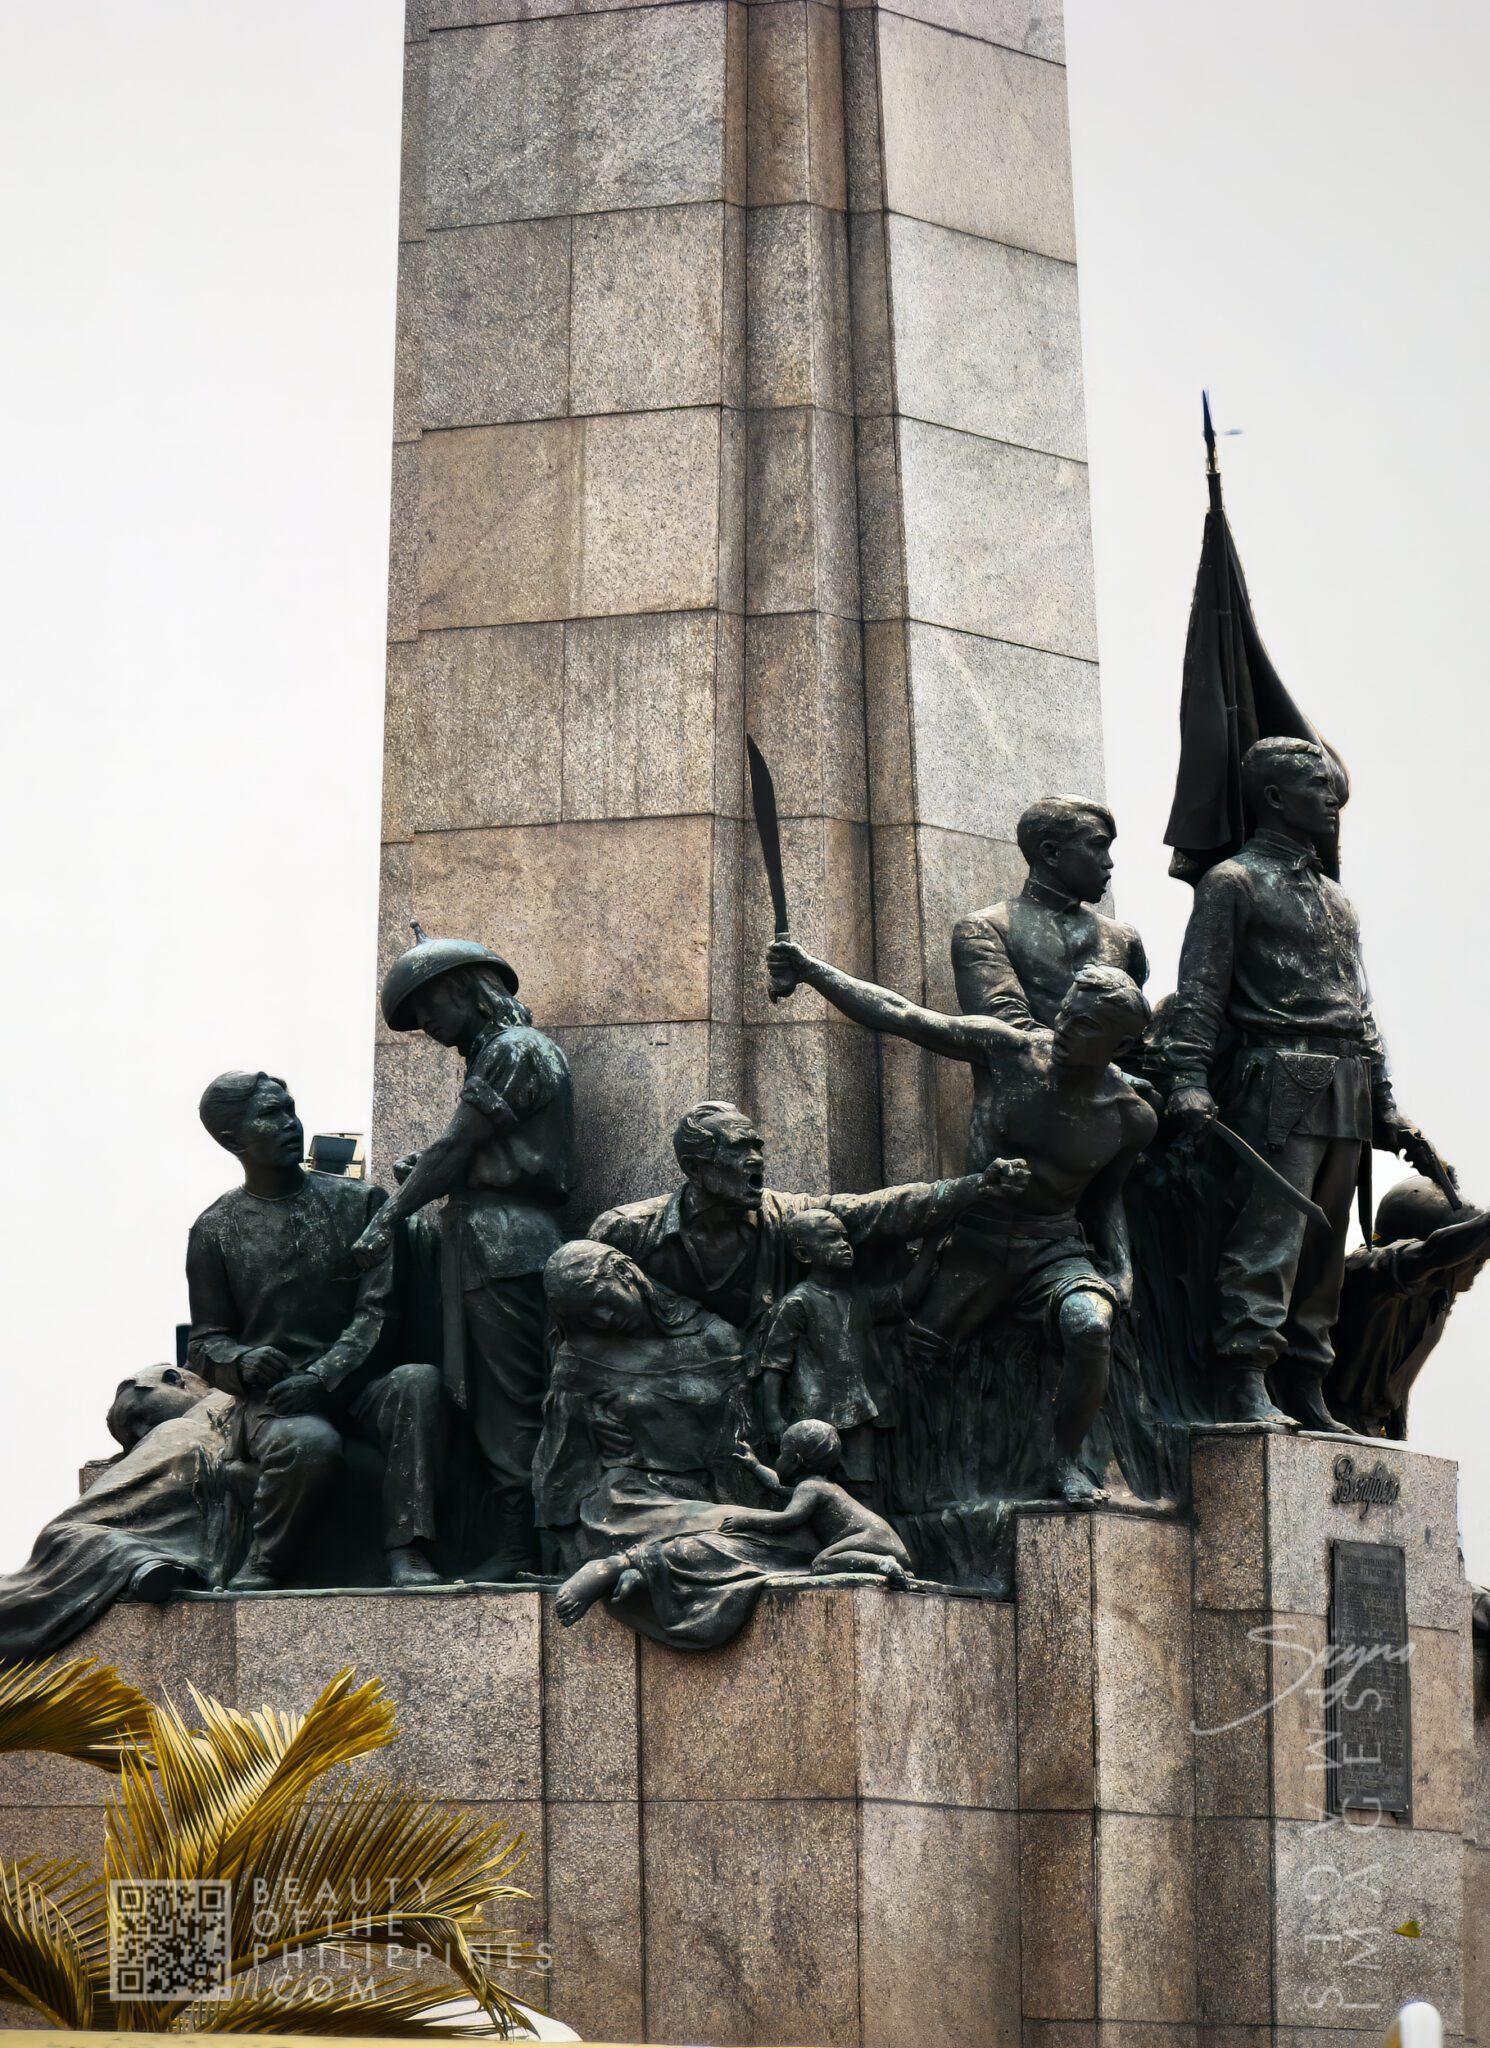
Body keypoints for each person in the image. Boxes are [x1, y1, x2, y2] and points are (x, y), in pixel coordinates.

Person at [765, 942, 1156, 1502]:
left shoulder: (1130, 1117)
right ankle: (903, 1491)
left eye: (1087, 1023)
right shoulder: (1009, 1050)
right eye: (1068, 1009)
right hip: (973, 1236)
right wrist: (811, 971)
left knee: (1089, 1326)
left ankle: (1064, 1463)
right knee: (920, 1360)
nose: (1066, 1024)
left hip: (1052, 1249)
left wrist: (1120, 1267)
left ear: (1118, 1043)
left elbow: (1107, 1197)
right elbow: (902, 1016)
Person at [1164, 737, 1439, 1430]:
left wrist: (1386, 1104)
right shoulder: (1233, 883)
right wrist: (1190, 1079)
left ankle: (1307, 1382)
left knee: (1323, 1253)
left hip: (1344, 1084)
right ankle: (1243, 1377)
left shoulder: (1337, 901)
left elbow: (1360, 1010)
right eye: (1317, 788)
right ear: (1276, 799)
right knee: (1271, 1237)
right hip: (1275, 1080)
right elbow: (1199, 992)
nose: (1332, 800)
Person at [354, 929, 576, 1575]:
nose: (424, 1023)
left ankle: (523, 1549)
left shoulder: (514, 1049)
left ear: (467, 992)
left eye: (429, 1006)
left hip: (503, 1244)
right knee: (486, 1400)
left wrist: (388, 1217)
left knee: (509, 1404)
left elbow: (455, 1149)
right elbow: (463, 1153)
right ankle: (517, 1541)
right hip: (489, 1238)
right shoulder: (506, 1052)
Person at [188, 1070, 444, 1590]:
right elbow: (205, 1342)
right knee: (309, 1443)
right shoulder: (214, 1230)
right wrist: (240, 1360)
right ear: (232, 1139)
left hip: (358, 1381)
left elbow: (379, 1310)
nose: (289, 1124)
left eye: (290, 1109)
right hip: (276, 1399)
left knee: (417, 1382)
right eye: (269, 1115)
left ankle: (409, 1552)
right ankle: (267, 1559)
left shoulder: (361, 1204)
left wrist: (325, 1377)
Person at [590, 1100, 1013, 1341]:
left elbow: (874, 1210)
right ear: (695, 1169)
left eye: (756, 1146)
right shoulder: (625, 1232)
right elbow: (577, 1332)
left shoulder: (787, 1215)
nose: (755, 1158)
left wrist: (976, 1187)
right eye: (738, 1149)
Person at [758, 1165, 1030, 1489]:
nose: (845, 1245)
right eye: (832, 1239)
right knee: (815, 1489)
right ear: (803, 1253)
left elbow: (905, 1299)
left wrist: (930, 1246)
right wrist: (773, 1418)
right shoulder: (797, 1303)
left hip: (860, 1413)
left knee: (863, 1488)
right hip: (815, 1417)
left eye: (846, 1238)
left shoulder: (857, 1297)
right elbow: (774, 1363)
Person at [0, 1365, 249, 1660]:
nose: (141, 1438)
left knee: (70, 1536)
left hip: (215, 1487)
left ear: (175, 1381)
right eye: (133, 1437)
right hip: (199, 1508)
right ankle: (144, 1561)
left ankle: (141, 1559)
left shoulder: (196, 1419)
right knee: (84, 1539)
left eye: (141, 1423)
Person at [952, 795, 1148, 1030]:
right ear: (1051, 853)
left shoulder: (1124, 938)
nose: (1108, 862)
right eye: (1097, 846)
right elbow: (1009, 1032)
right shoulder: (985, 930)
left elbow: (1135, 1033)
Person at [1323, 1176, 1490, 1438]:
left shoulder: (1438, 1295)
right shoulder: (1367, 1272)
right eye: (1472, 1256)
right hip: (1325, 1423)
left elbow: (1397, 1378)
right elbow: (1430, 1255)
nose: (1479, 1265)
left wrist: (1397, 1438)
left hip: (1366, 1436)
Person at [722, 1421, 914, 1582]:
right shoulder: (818, 1486)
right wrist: (755, 1466)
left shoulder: (810, 1488)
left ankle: (883, 1564)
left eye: (781, 1453)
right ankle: (894, 1566)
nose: (779, 1459)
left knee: (822, 1562)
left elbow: (789, 1518)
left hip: (872, 1539)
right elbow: (779, 1487)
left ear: (796, 1460)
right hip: (883, 1538)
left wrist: (745, 1521)